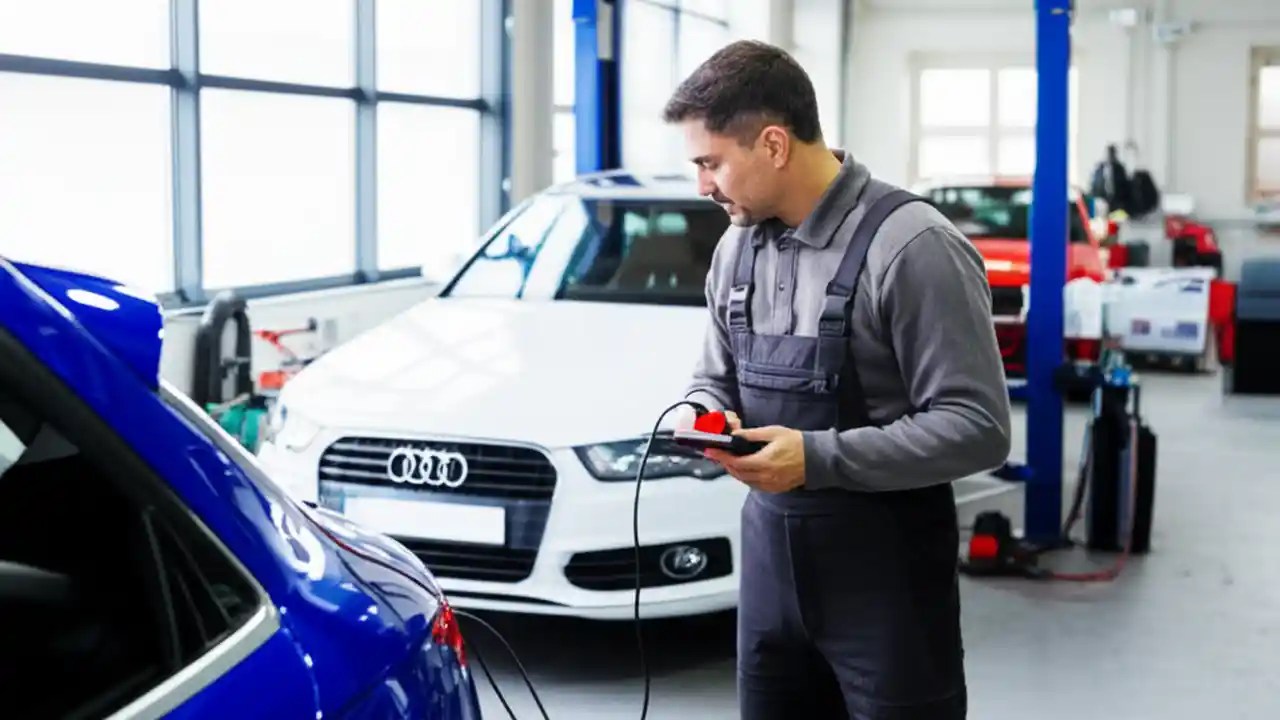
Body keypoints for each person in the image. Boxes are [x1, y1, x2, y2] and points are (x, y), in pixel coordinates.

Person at [663, 41, 1013, 719]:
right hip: (769, 579)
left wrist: (816, 457)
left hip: (887, 590)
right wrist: (700, 411)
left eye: (710, 163)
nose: (702, 185)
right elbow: (714, 375)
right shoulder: (737, 247)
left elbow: (980, 428)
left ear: (772, 144)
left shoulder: (911, 246)